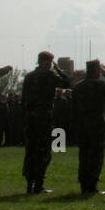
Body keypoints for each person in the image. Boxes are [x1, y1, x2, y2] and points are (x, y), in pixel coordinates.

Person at [71, 59, 105, 195]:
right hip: (97, 124)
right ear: (97, 71)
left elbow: (73, 107)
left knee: (84, 155)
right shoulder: (100, 85)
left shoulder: (78, 86)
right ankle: (92, 185)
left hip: (82, 124)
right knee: (96, 155)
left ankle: (83, 184)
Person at [22, 51, 68, 194]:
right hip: (44, 118)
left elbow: (23, 99)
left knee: (30, 151)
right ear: (45, 62)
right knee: (43, 152)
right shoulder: (50, 76)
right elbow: (67, 82)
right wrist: (59, 70)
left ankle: (30, 183)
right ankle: (39, 184)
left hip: (31, 118)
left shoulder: (29, 77)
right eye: (50, 62)